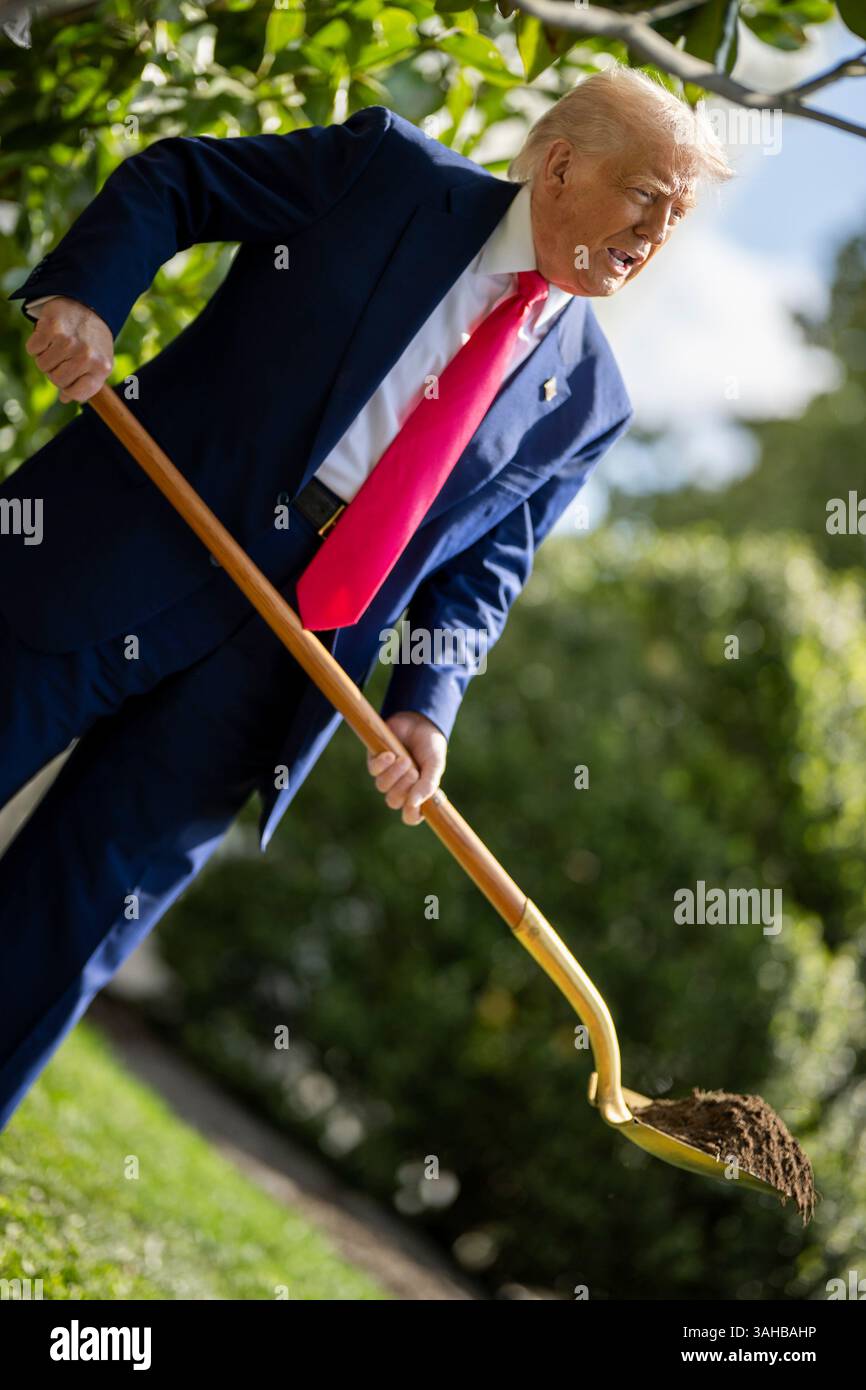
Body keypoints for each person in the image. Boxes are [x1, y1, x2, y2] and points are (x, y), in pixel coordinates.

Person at [0, 64, 732, 1130]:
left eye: (675, 220)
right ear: (563, 165)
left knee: (67, 927)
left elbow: (485, 566)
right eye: (646, 201)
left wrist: (425, 702)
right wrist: (90, 302)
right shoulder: (382, 173)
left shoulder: (585, 400)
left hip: (280, 670)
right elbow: (181, 181)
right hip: (124, 545)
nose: (653, 236)